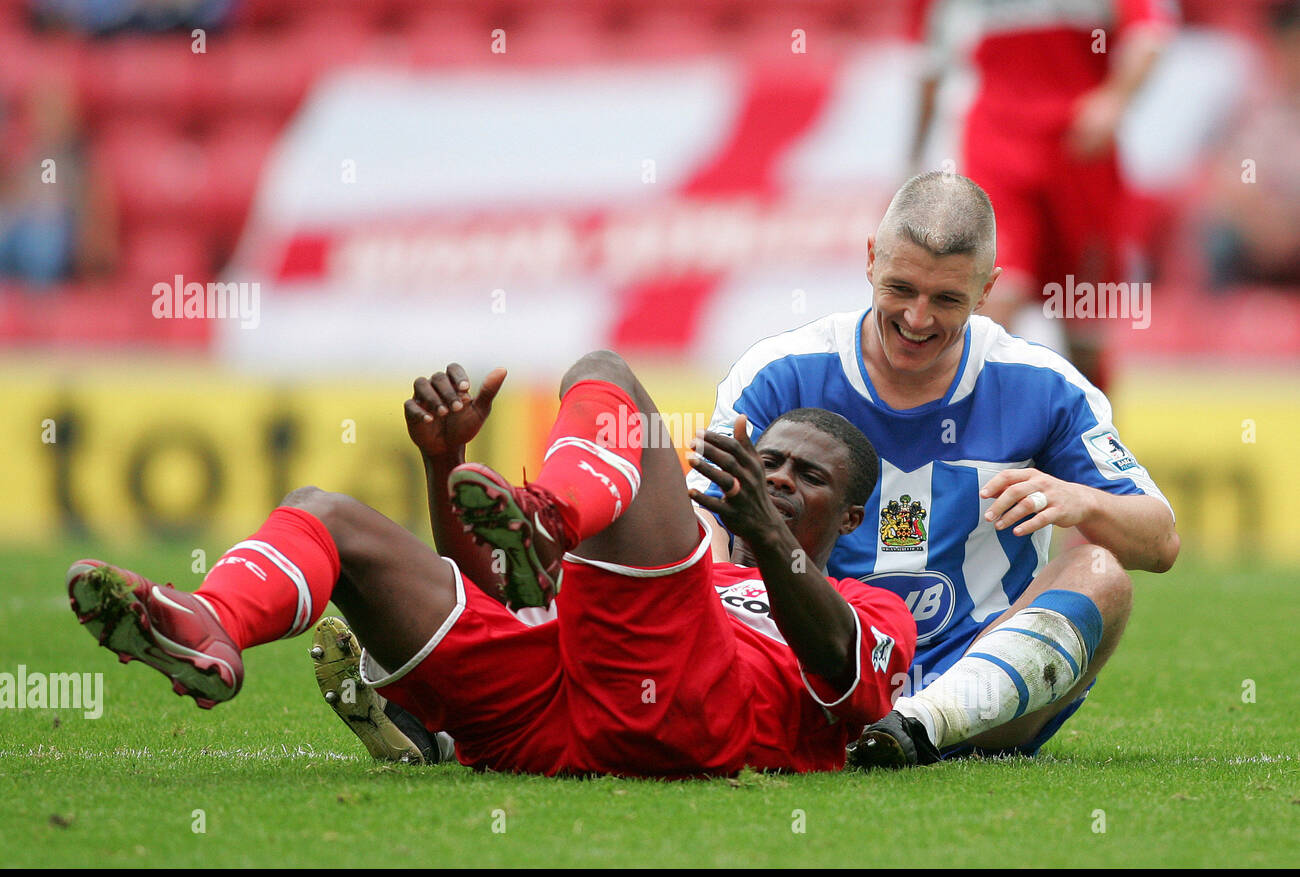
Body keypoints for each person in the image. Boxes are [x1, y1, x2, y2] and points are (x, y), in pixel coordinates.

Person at [66, 350, 915, 777]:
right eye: (768, 463)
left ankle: (548, 521)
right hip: (545, 717)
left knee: (605, 371)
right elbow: (489, 594)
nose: (776, 480)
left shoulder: (869, 608)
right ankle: (213, 626)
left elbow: (851, 680)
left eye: (807, 476)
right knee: (329, 515)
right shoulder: (688, 562)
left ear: (849, 515)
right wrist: (443, 464)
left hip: (683, 711)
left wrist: (768, 540)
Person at [688, 172, 1179, 768]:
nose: (918, 319)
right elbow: (704, 526)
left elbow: (1161, 541)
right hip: (812, 664)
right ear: (870, 259)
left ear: (987, 289)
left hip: (976, 689)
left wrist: (1083, 501)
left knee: (1101, 570)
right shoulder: (781, 372)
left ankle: (918, 725)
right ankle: (875, 722)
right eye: (901, 288)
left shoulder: (1041, 386)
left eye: (946, 299)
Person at [908, 0, 1174, 390]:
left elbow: (1149, 35)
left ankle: (1091, 442)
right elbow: (930, 67)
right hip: (996, 147)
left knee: (1084, 318)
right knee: (994, 300)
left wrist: (1114, 99)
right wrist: (910, 164)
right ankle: (983, 442)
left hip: (1081, 152)